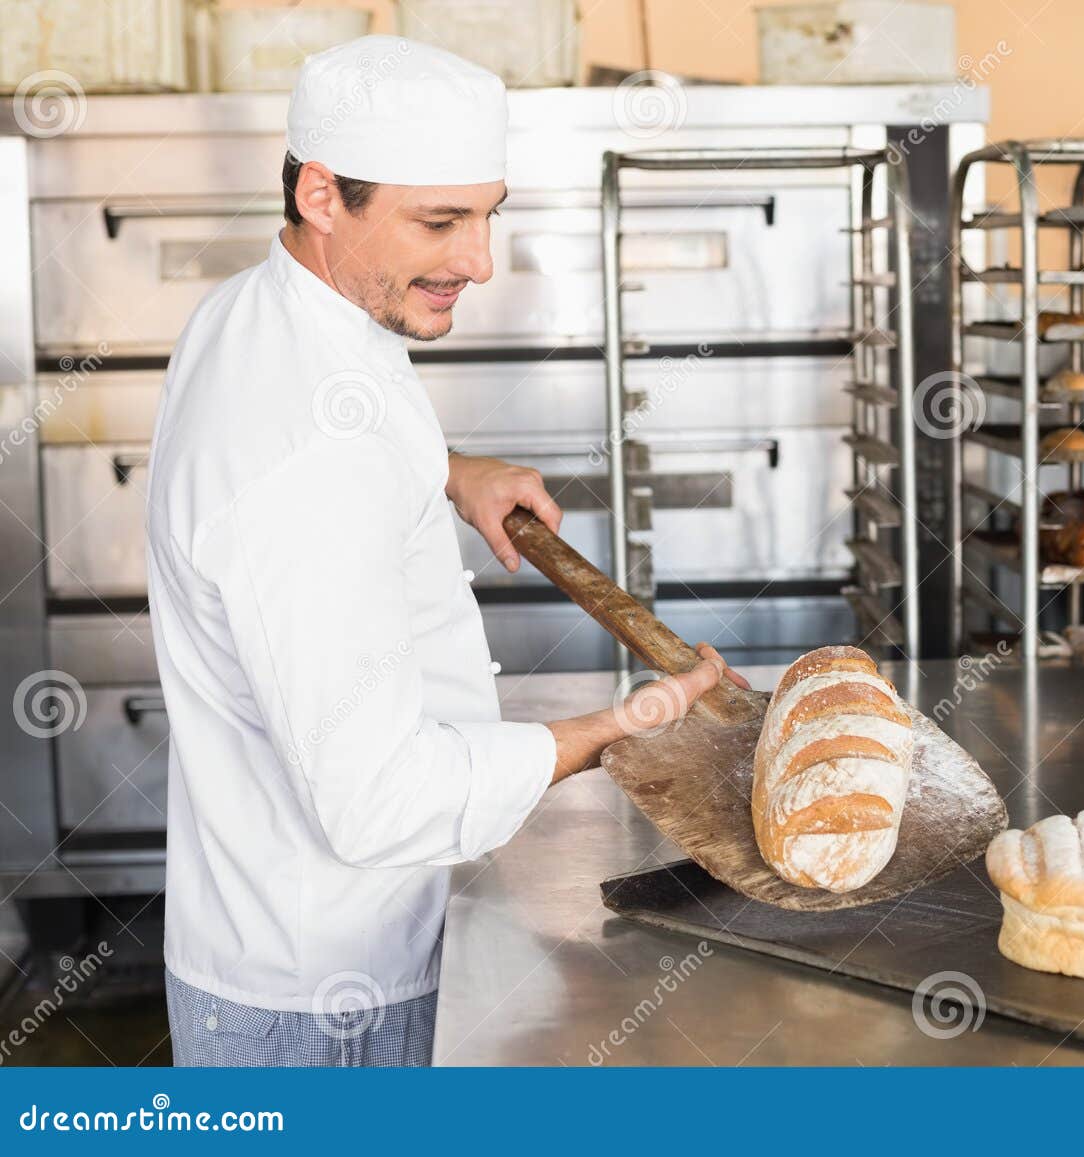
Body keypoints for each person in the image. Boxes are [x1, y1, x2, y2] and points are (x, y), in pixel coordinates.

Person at [145, 35, 746, 1067]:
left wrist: (447, 467)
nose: (478, 261)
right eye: (440, 222)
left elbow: (333, 436)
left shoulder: (264, 309)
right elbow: (381, 801)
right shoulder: (305, 459)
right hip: (322, 996)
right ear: (322, 194)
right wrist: (622, 725)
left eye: (487, 214)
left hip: (274, 925)